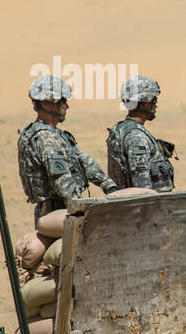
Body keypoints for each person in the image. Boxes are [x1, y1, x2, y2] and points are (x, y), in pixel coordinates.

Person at [17, 74, 118, 226]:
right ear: (52, 104)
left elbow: (84, 160)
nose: (67, 106)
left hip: (63, 208)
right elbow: (62, 182)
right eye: (64, 101)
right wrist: (82, 207)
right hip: (57, 212)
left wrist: (108, 185)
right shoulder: (46, 138)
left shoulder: (55, 134)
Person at [106, 75, 174, 192]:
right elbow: (141, 185)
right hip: (146, 206)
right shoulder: (136, 137)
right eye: (154, 100)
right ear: (144, 103)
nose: (156, 104)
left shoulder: (121, 129)